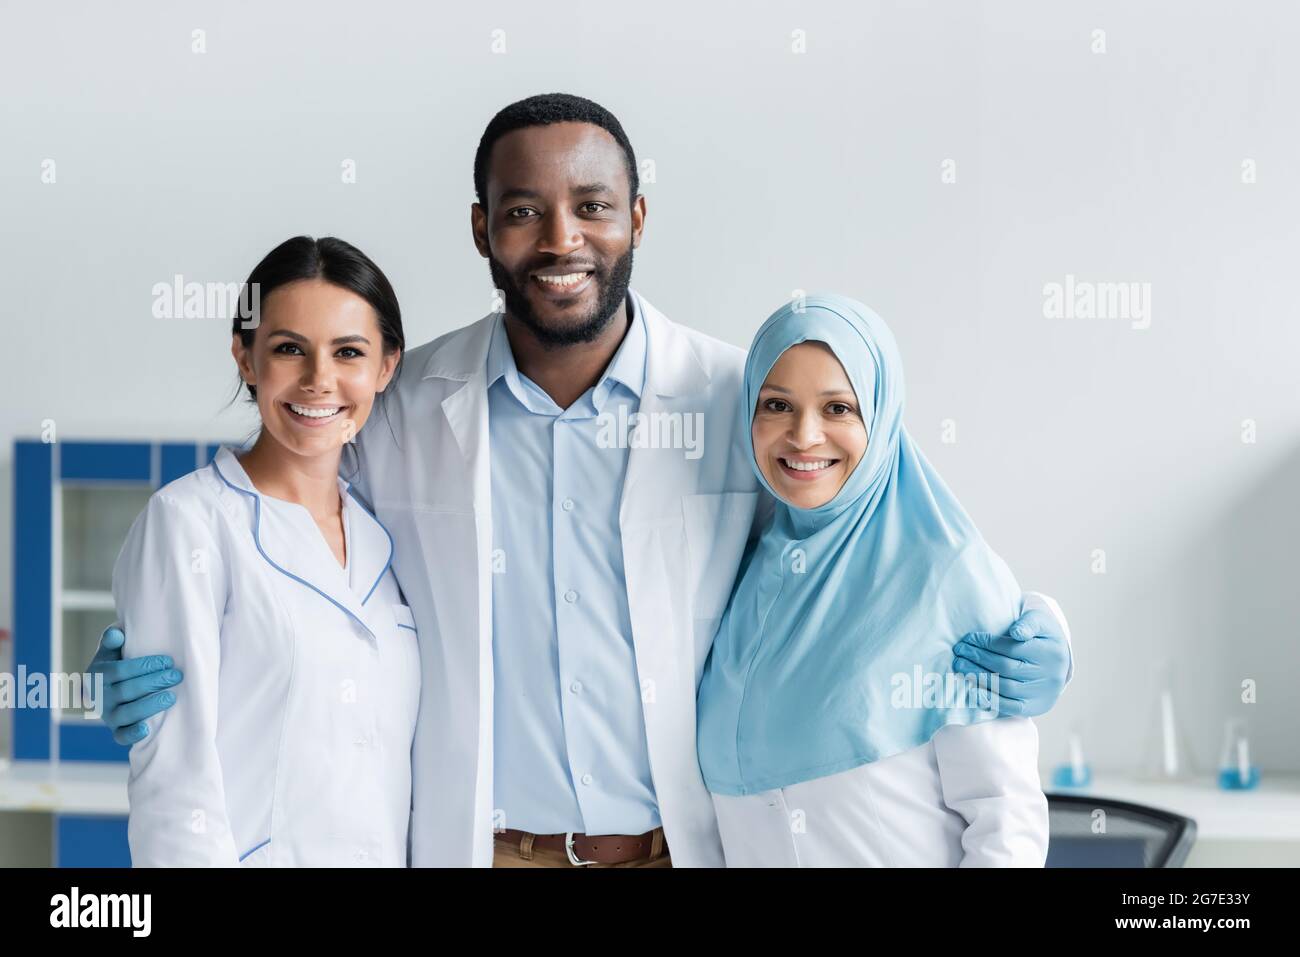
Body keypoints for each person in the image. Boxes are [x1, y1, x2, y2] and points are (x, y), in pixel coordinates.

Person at [91, 93, 1072, 868]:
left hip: (677, 850)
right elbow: (282, 514)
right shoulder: (402, 400)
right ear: (482, 230)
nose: (561, 239)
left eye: (593, 207)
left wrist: (1040, 638)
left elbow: (882, 532)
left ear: (636, 217)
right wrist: (168, 656)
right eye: (523, 212)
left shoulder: (743, 398)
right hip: (484, 850)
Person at [697, 295, 1049, 866]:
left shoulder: (949, 577)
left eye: (838, 408)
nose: (804, 436)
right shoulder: (740, 572)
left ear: (881, 415)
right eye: (777, 404)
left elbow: (1006, 822)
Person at [114, 236, 417, 866]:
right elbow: (174, 783)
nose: (319, 380)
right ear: (245, 358)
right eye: (288, 349)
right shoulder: (189, 523)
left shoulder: (384, 533)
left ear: (386, 367)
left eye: (349, 352)